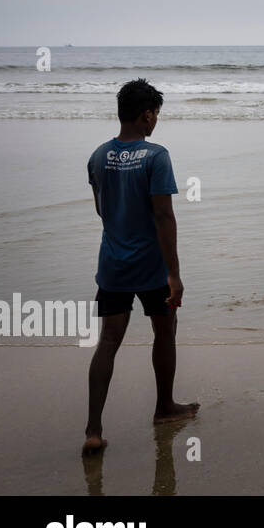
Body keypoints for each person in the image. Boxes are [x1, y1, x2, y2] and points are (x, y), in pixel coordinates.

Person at [83, 79, 198, 455]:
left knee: (109, 341)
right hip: (150, 266)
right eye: (156, 116)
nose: (155, 123)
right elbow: (164, 217)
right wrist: (174, 274)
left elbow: (102, 210)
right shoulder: (155, 156)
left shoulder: (98, 155)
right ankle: (164, 407)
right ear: (147, 115)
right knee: (165, 331)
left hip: (113, 262)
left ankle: (93, 430)